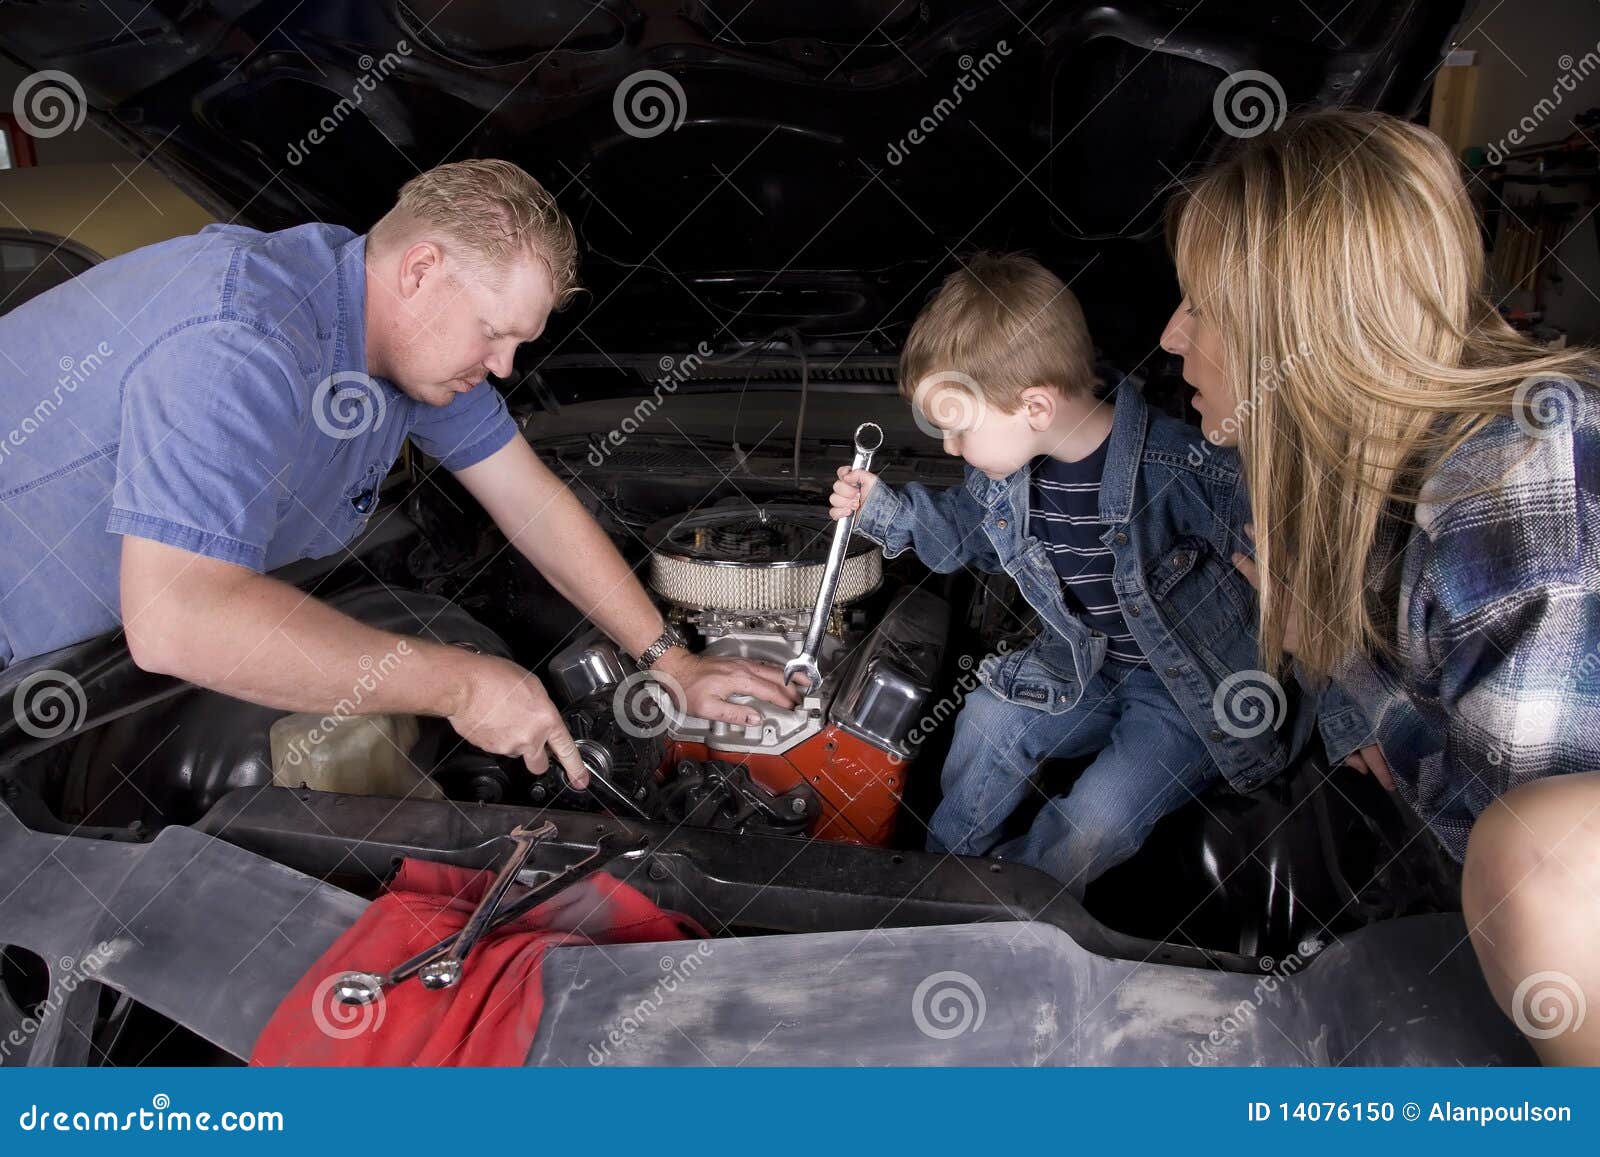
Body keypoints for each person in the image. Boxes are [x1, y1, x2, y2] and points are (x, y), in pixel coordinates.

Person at [0, 159, 797, 788]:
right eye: (493, 333)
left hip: (74, 651)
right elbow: (181, 620)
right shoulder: (244, 338)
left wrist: (672, 661)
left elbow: (531, 502)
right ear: (419, 270)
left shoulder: (404, 349)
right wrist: (460, 685)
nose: (505, 366)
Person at [1160, 108, 1600, 1063]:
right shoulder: (1377, 478)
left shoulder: (1511, 490)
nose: (1169, 336)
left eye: (1201, 304)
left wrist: (1347, 665)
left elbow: (1506, 857)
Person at [829, 253, 1302, 897]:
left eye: (956, 429)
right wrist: (883, 510)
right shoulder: (1011, 473)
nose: (948, 448)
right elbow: (969, 531)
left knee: (1095, 822)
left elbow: (1312, 599)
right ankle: (938, 881)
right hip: (1087, 664)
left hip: (1189, 694)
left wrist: (1351, 717)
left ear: (1034, 406)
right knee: (986, 722)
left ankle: (1007, 909)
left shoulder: (1192, 472)